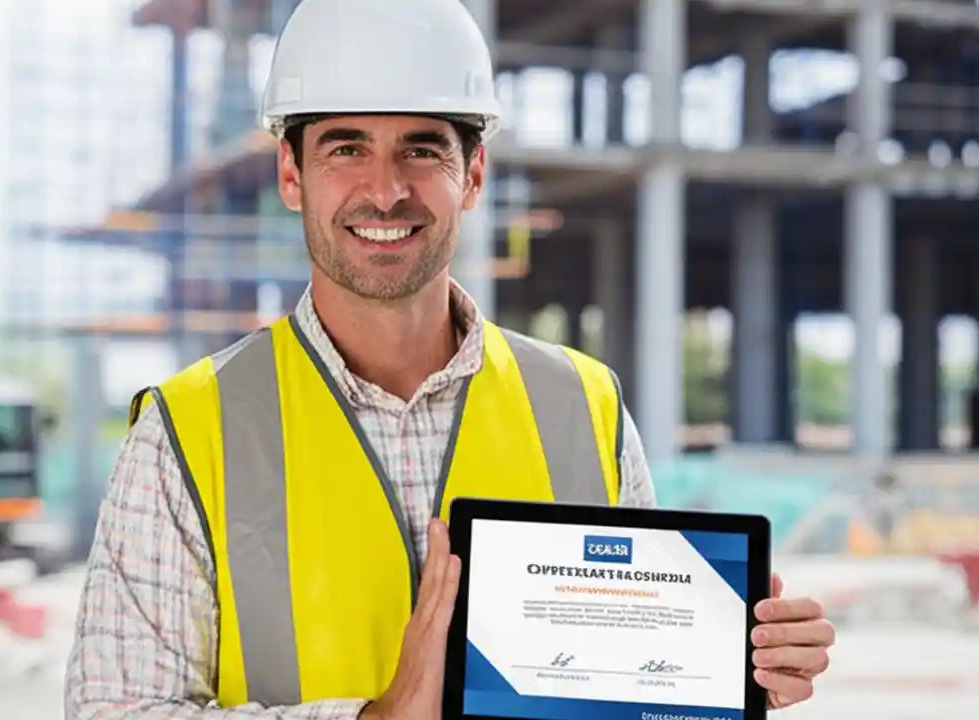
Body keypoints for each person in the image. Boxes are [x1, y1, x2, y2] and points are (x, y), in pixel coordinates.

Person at [65, 0, 835, 717]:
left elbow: (618, 693)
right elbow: (115, 710)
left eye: (422, 149)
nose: (385, 190)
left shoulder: (584, 407)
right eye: (346, 148)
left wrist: (721, 679)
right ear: (291, 175)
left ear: (472, 176)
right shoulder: (187, 432)